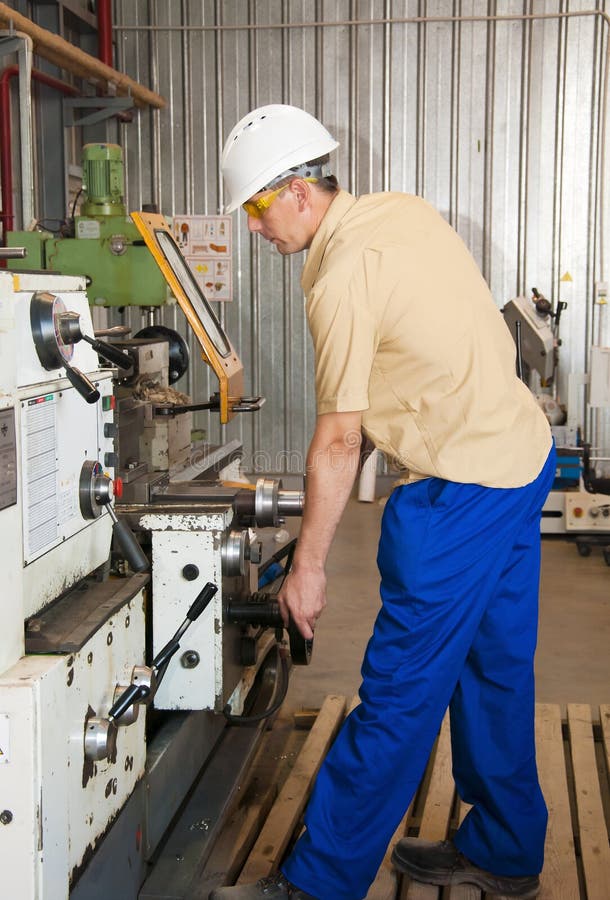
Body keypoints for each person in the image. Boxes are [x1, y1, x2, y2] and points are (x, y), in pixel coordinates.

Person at [211, 104, 554, 900]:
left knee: (399, 691)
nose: (256, 230)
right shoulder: (401, 211)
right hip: (518, 454)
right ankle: (506, 848)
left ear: (298, 189)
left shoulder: (338, 278)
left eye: (258, 208)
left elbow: (338, 439)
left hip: (463, 489)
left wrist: (308, 565)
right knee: (493, 666)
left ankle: (319, 884)